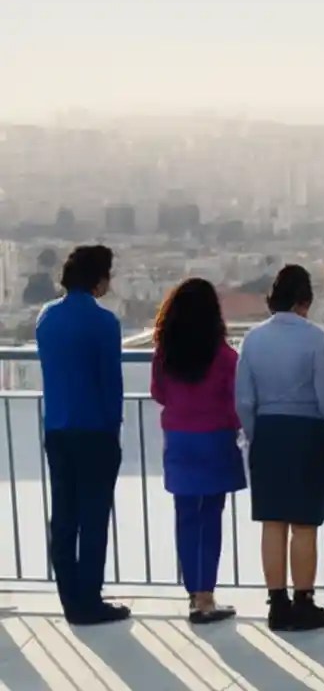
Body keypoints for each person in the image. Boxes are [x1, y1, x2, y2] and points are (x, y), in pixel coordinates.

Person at [236, 265, 324, 632]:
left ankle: (277, 603)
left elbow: (244, 401)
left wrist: (255, 436)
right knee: (304, 523)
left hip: (267, 432)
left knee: (272, 521)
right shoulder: (315, 338)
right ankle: (304, 601)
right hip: (307, 432)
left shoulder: (252, 340)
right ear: (305, 300)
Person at [36, 245, 130, 625]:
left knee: (63, 515)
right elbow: (112, 383)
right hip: (95, 430)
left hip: (57, 427)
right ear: (98, 279)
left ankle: (69, 596)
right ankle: (89, 599)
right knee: (93, 518)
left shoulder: (46, 318)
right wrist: (114, 429)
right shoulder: (104, 323)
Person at [151, 278, 245, 624]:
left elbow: (159, 393)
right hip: (214, 438)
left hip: (178, 438)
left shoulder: (165, 354)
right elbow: (236, 403)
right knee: (210, 517)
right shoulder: (224, 357)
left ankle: (194, 591)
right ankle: (205, 596)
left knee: (186, 515)